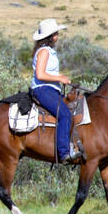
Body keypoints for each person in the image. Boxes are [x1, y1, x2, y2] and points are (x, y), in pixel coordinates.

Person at [30, 19, 78, 164]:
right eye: (56, 33)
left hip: (50, 89)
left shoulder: (48, 50)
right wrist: (60, 78)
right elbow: (40, 74)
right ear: (50, 36)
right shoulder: (44, 51)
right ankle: (63, 153)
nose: (58, 35)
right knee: (64, 114)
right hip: (43, 89)